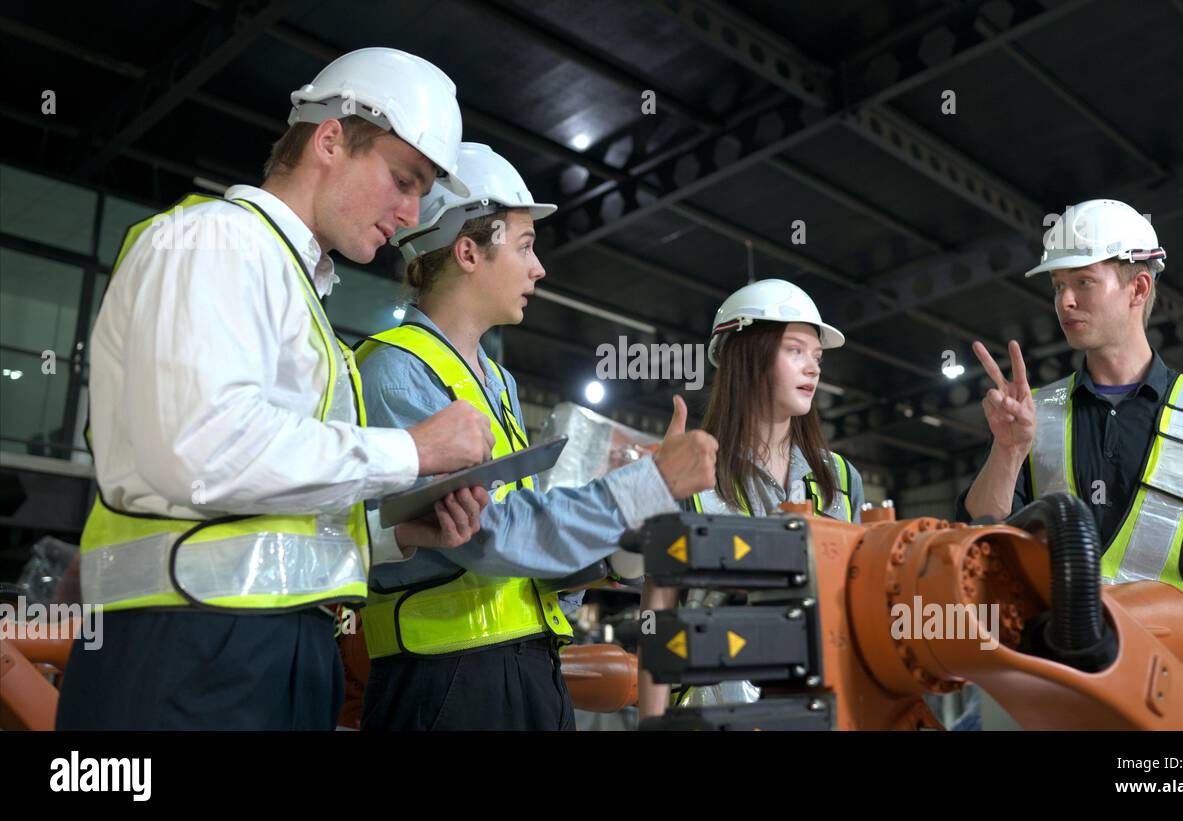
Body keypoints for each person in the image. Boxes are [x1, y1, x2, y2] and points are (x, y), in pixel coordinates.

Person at [57, 48, 496, 731]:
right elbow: (204, 452)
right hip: (184, 652)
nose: (411, 214)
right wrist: (412, 451)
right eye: (403, 180)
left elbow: (261, 527)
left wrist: (392, 530)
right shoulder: (211, 243)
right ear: (331, 139)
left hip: (269, 652)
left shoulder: (293, 289)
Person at [354, 142, 718, 730]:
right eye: (525, 246)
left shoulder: (496, 382)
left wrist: (619, 544)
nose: (539, 268)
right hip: (445, 683)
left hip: (530, 669)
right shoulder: (394, 369)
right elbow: (489, 535)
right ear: (469, 252)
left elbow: (531, 549)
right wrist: (646, 485)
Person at [959, 198, 1183, 609]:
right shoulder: (1031, 416)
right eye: (1058, 285)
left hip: (1181, 669)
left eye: (1083, 282)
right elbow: (980, 539)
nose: (1064, 301)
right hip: (1060, 665)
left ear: (1139, 287)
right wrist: (1007, 452)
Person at [637, 278, 867, 720]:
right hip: (713, 711)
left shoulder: (839, 478)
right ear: (747, 355)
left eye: (817, 357)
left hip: (819, 711)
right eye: (795, 350)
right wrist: (651, 724)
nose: (814, 369)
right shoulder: (691, 471)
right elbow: (657, 617)